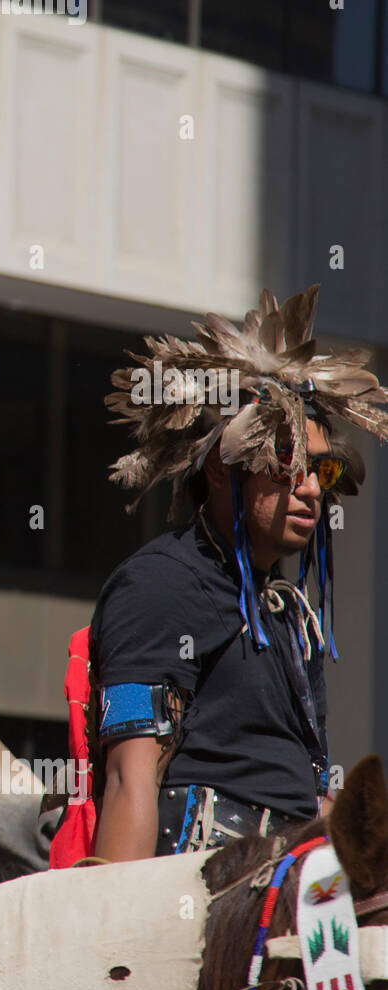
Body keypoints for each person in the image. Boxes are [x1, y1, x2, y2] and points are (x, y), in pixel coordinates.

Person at [88, 287, 388, 862]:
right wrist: (120, 947)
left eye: (322, 468)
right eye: (285, 461)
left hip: (291, 881)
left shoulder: (291, 618)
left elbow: (308, 788)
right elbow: (131, 778)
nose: (310, 487)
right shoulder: (160, 584)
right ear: (223, 471)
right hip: (202, 890)